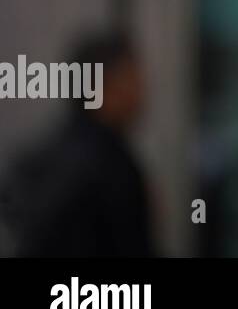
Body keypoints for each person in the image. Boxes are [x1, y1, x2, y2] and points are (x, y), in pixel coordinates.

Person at [2, 29, 155, 256]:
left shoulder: (50, 155)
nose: (142, 90)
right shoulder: (110, 167)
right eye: (132, 77)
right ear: (105, 86)